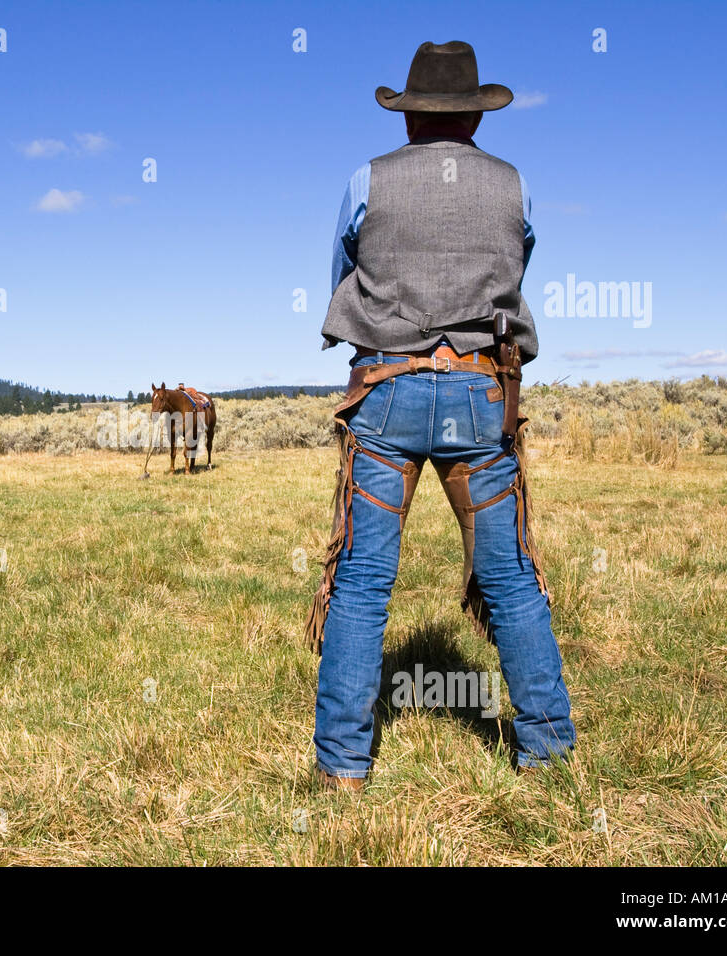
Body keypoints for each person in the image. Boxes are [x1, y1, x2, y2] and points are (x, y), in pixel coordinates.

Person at [305, 41, 576, 789]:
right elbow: (515, 267)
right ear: (476, 120)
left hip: (386, 389)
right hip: (482, 394)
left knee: (360, 581)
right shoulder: (512, 185)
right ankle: (549, 756)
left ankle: (343, 769)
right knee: (511, 577)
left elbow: (342, 269)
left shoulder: (369, 178)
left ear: (411, 116)